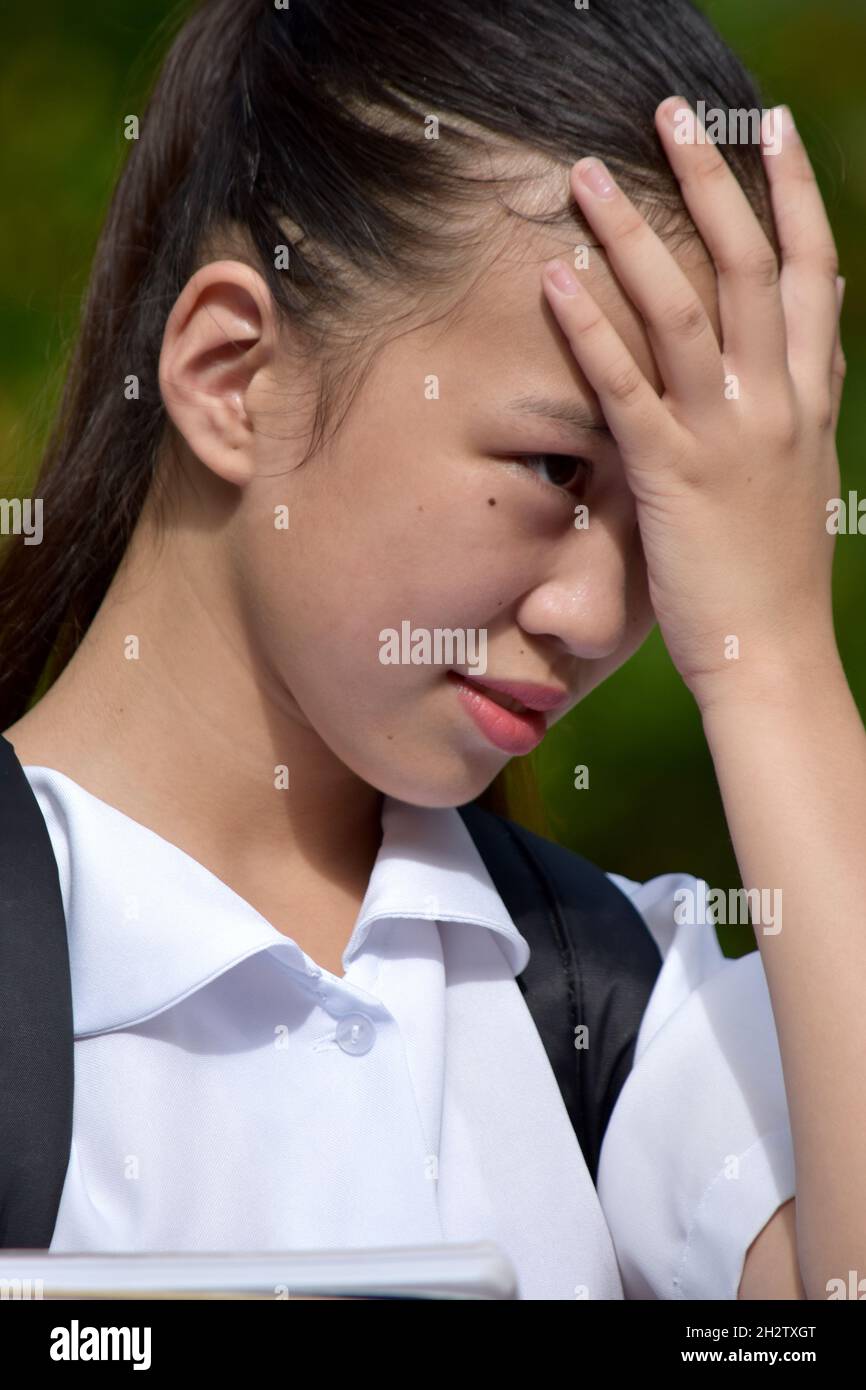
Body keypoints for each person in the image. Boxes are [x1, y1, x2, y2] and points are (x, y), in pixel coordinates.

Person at [0, 0, 860, 1300]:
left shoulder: (612, 1005)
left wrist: (774, 660)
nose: (596, 612)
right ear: (235, 375)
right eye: (555, 466)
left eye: (679, 526)